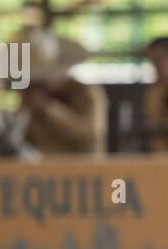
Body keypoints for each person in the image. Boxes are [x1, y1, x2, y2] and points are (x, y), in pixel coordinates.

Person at [14, 26, 107, 156]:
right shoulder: (32, 95)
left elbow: (89, 133)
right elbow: (23, 137)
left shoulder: (86, 92)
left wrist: (49, 108)